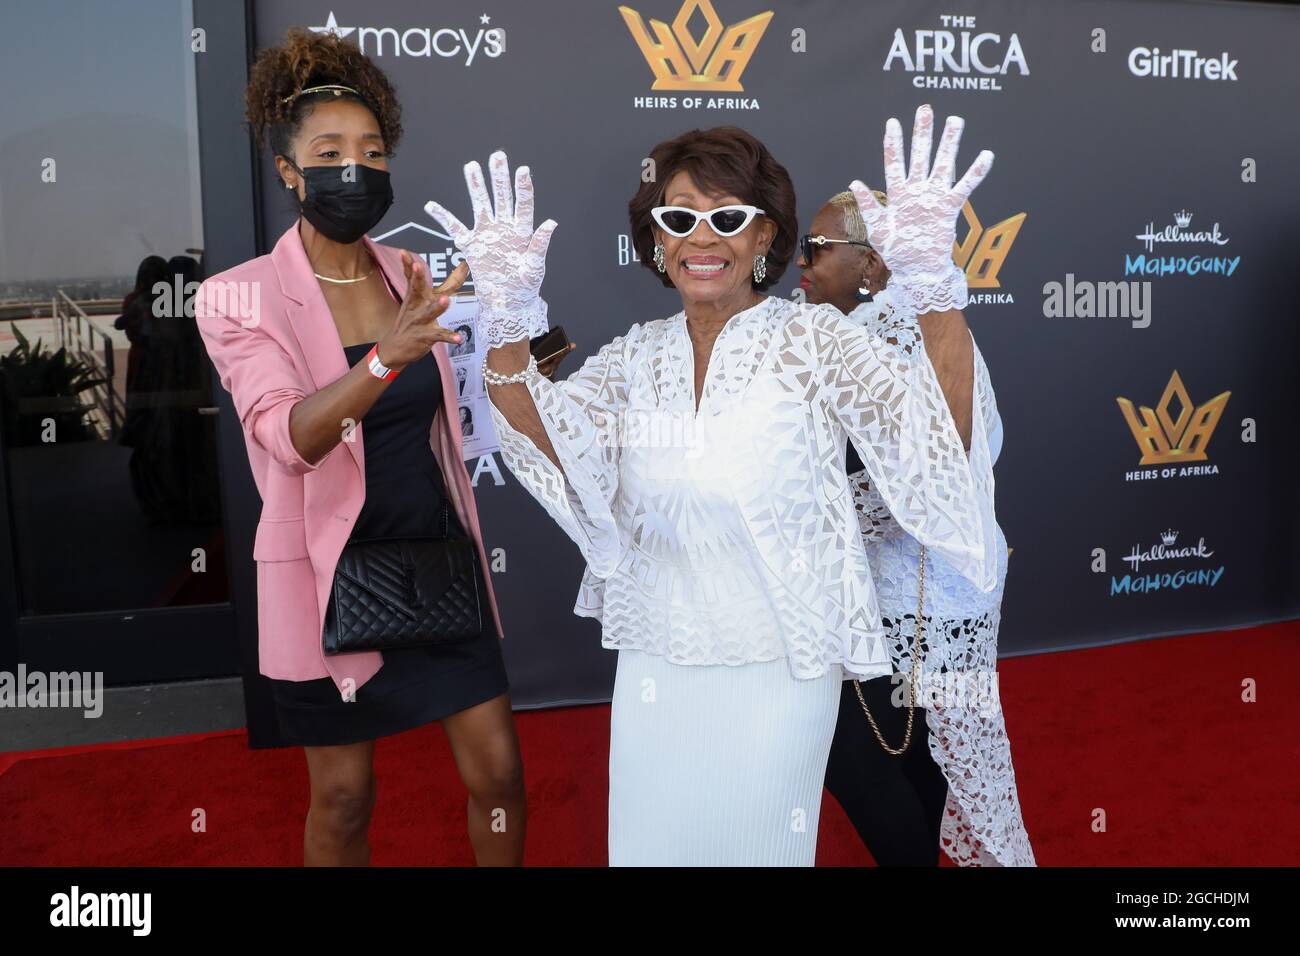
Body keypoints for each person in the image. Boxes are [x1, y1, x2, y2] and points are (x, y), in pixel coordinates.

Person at [426, 105, 1001, 865]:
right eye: (680, 216)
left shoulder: (815, 340)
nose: (703, 237)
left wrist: (934, 288)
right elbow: (548, 437)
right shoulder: (636, 359)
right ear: (658, 238)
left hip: (783, 668)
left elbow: (939, 442)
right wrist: (503, 324)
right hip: (658, 664)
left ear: (764, 236)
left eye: (728, 217)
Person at [193, 28, 556, 866]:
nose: (356, 168)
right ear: (288, 170)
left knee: (501, 775)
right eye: (330, 151)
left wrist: (513, 317)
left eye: (374, 150)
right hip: (326, 579)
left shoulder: (409, 274)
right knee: (346, 798)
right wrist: (386, 359)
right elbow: (288, 437)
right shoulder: (237, 297)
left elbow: (465, 404)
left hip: (434, 557)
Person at [800, 189, 1035, 866]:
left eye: (817, 250)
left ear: (873, 264)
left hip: (918, 597)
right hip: (934, 593)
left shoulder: (894, 332)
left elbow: (947, 464)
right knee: (917, 747)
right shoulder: (884, 323)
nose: (801, 264)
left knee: (857, 756)